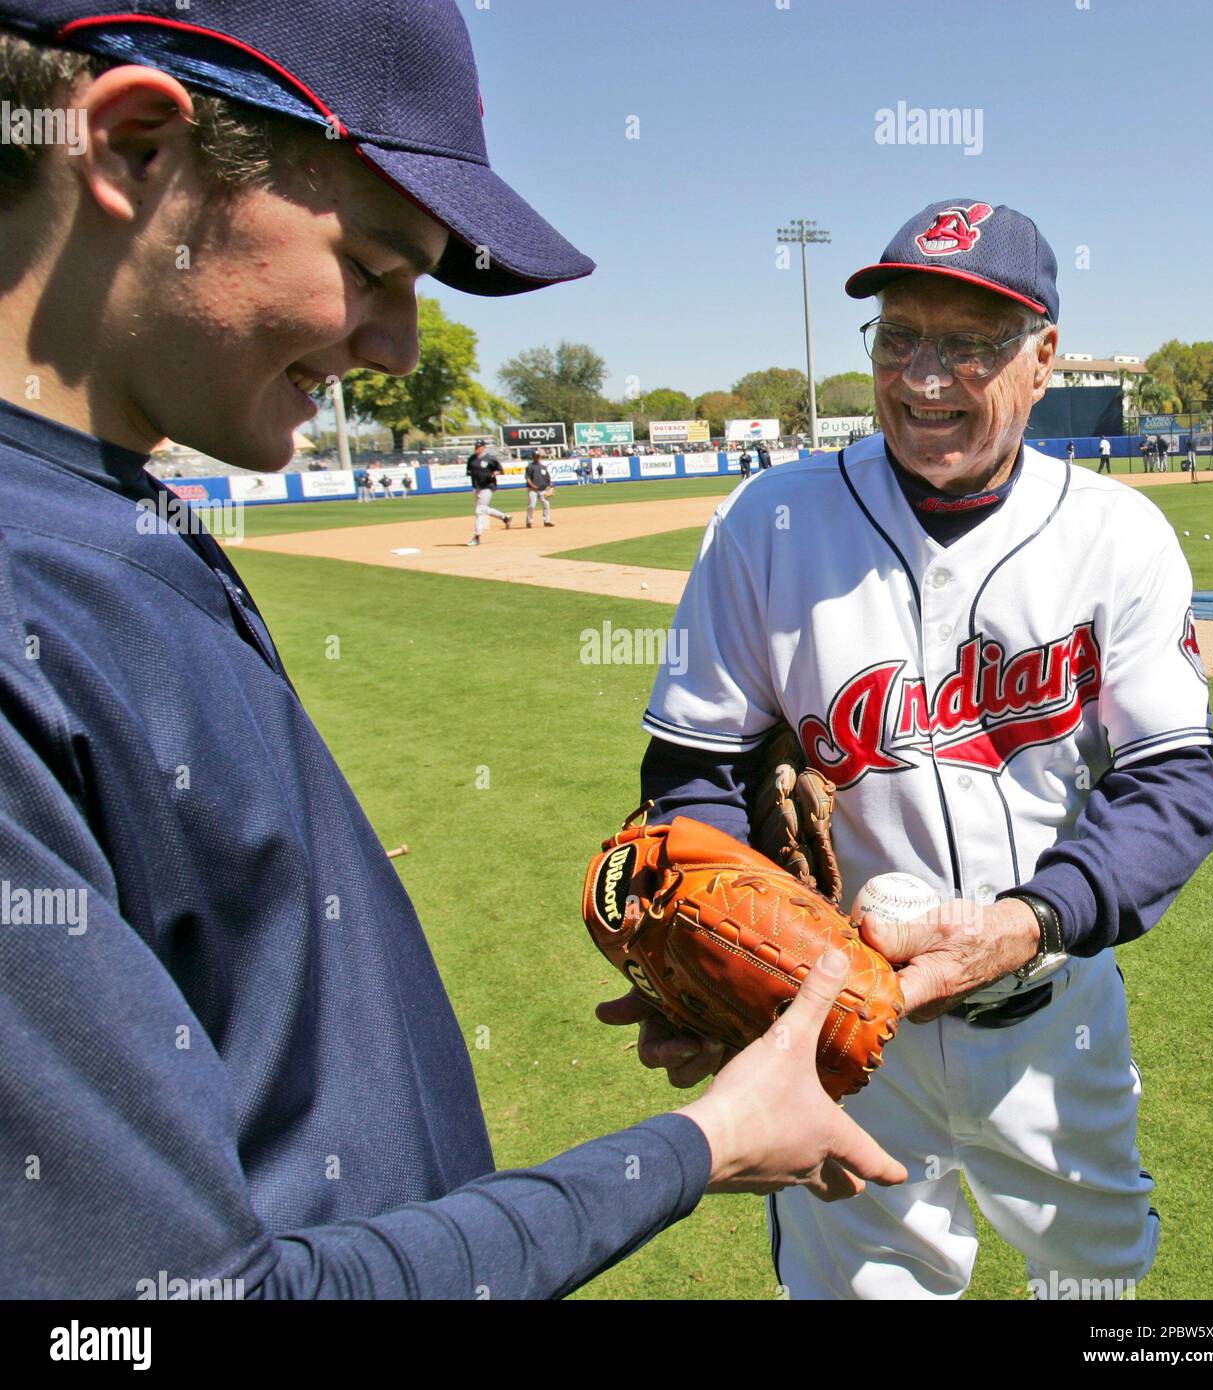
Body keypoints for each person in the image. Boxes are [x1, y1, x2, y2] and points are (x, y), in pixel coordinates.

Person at [0, 0, 904, 1300]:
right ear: (134, 148)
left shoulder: (104, 515)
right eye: (372, 267)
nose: (398, 344)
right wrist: (700, 1145)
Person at [616, 199, 1213, 1300]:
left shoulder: (1116, 534)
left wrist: (1029, 920)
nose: (924, 377)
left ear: (1041, 359)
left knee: (1093, 1278)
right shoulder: (767, 523)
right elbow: (691, 772)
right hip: (843, 1025)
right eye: (899, 338)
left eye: (969, 345)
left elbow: (1171, 785)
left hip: (1050, 1012)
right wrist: (719, 974)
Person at [465, 440, 511, 545]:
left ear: (483, 447)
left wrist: (494, 473)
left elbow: (501, 470)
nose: (477, 448)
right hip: (477, 487)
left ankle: (477, 536)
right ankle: (505, 517)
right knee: (483, 509)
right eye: (476, 446)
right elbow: (469, 471)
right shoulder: (472, 459)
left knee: (479, 511)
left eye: (479, 446)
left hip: (488, 486)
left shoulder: (490, 458)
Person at [524, 448, 555, 528]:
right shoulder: (529, 467)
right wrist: (532, 486)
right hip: (532, 490)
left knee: (546, 504)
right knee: (532, 505)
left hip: (543, 489)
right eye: (536, 456)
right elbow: (527, 478)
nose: (538, 457)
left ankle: (547, 521)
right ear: (533, 457)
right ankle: (529, 522)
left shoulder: (543, 467)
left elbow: (548, 478)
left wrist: (551, 485)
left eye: (539, 456)